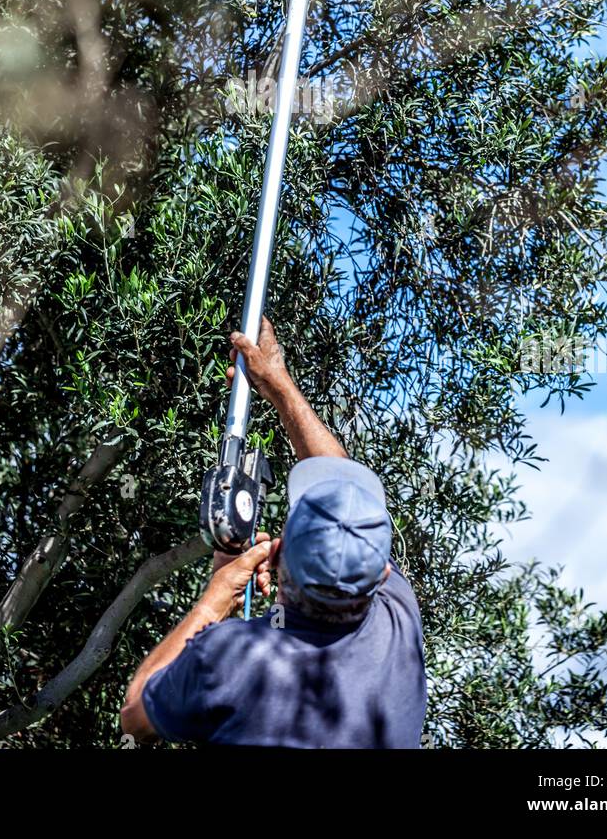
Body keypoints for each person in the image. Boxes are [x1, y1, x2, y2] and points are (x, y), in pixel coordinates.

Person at [120, 317, 427, 748]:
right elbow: (342, 483)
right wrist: (276, 380)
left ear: (277, 555)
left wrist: (216, 598)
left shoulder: (231, 658)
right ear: (380, 574)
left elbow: (135, 715)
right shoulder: (397, 620)